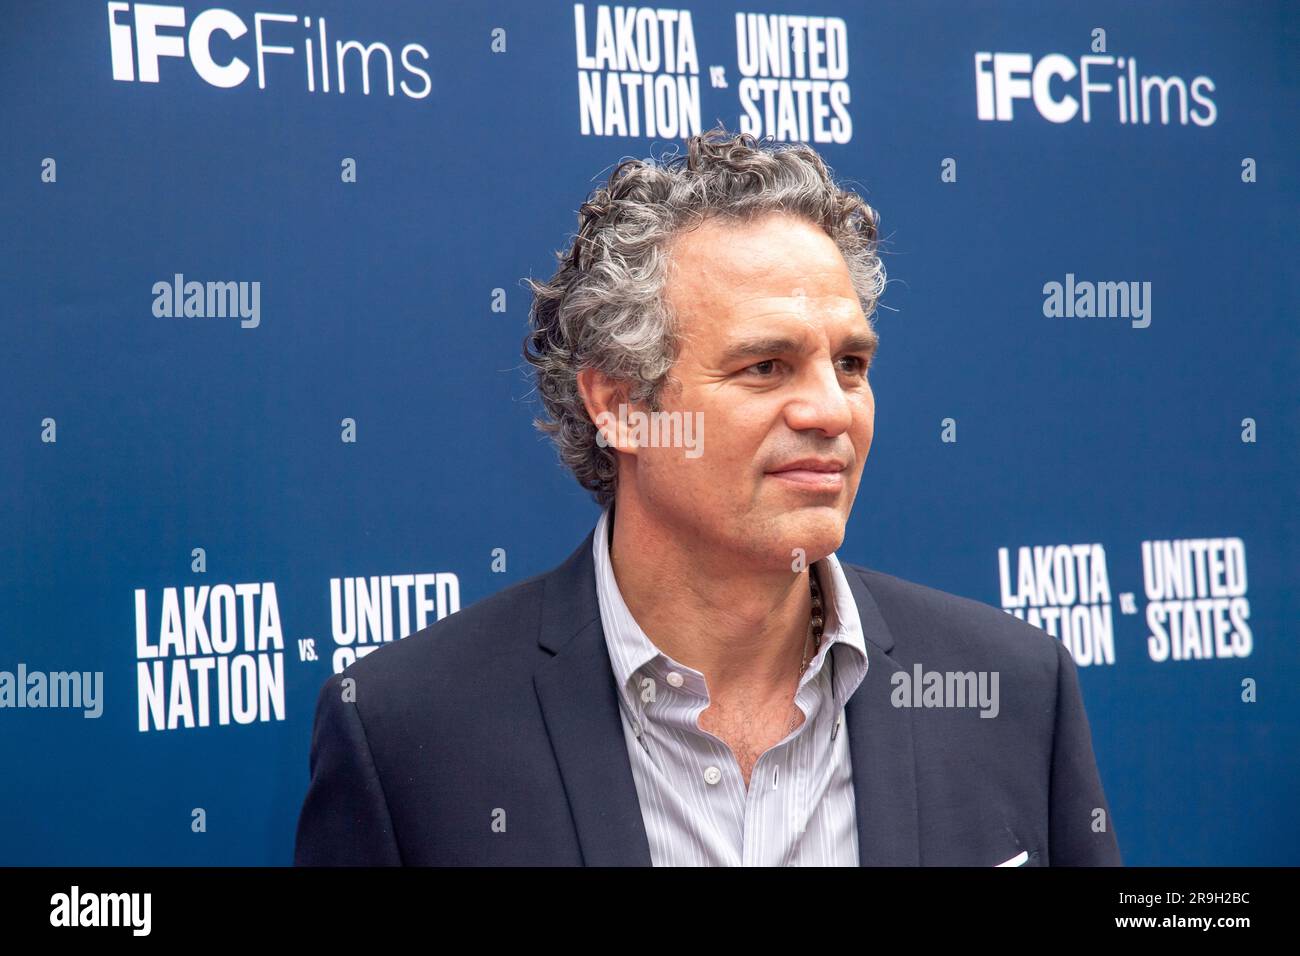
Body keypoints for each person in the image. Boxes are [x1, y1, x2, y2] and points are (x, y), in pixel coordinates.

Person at [294, 127, 1121, 866]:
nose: (830, 410)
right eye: (765, 367)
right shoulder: (408, 735)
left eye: (852, 366)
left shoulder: (1011, 687)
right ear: (619, 405)